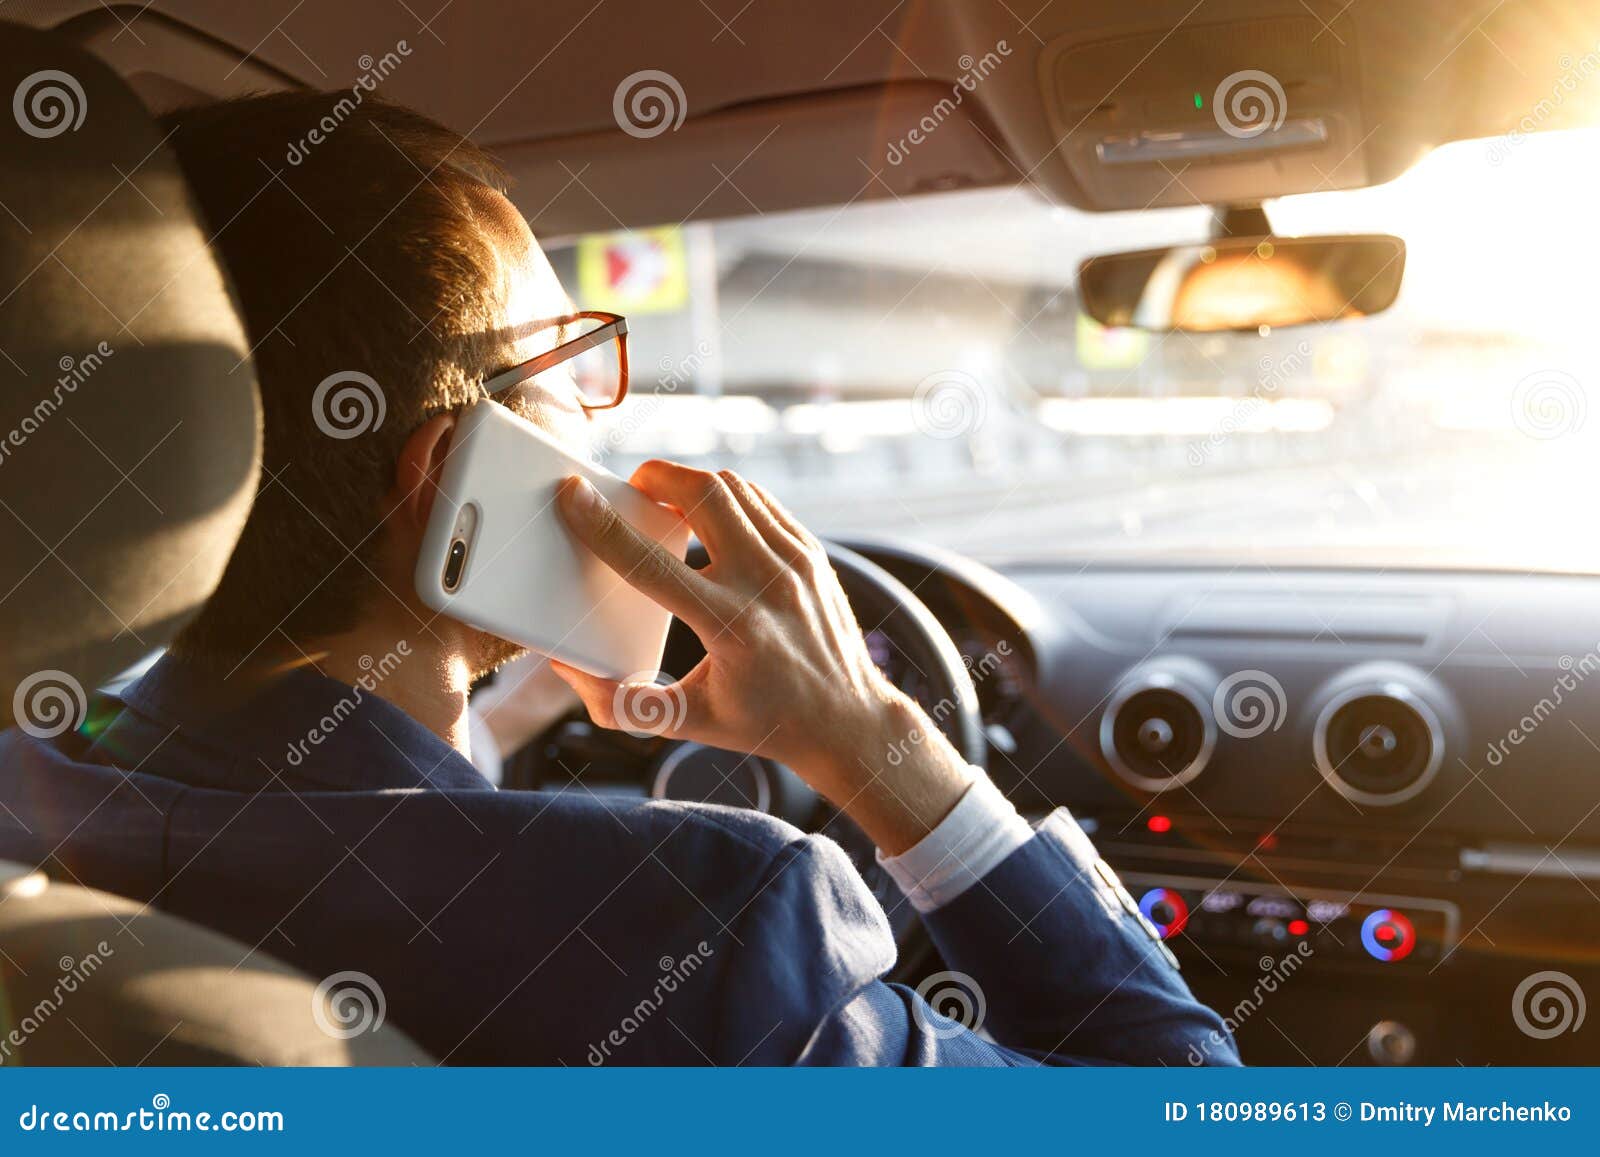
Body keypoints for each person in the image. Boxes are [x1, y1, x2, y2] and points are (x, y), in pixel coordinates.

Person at [0, 92, 1237, 1066]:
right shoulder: (697, 934)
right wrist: (876, 740)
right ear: (448, 482)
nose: (603, 417)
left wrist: (473, 730)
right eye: (570, 369)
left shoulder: (27, 806)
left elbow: (322, 814)